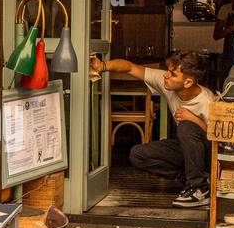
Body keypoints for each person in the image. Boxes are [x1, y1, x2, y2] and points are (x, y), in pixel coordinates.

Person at [90, 50, 216, 208]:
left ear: (188, 82)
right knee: (138, 154)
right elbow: (130, 67)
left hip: (209, 155)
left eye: (172, 74)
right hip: (189, 152)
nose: (166, 75)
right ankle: (190, 180)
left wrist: (195, 119)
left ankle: (200, 189)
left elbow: (220, 140)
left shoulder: (207, 101)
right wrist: (102, 66)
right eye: (168, 71)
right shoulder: (169, 84)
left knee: (186, 126)